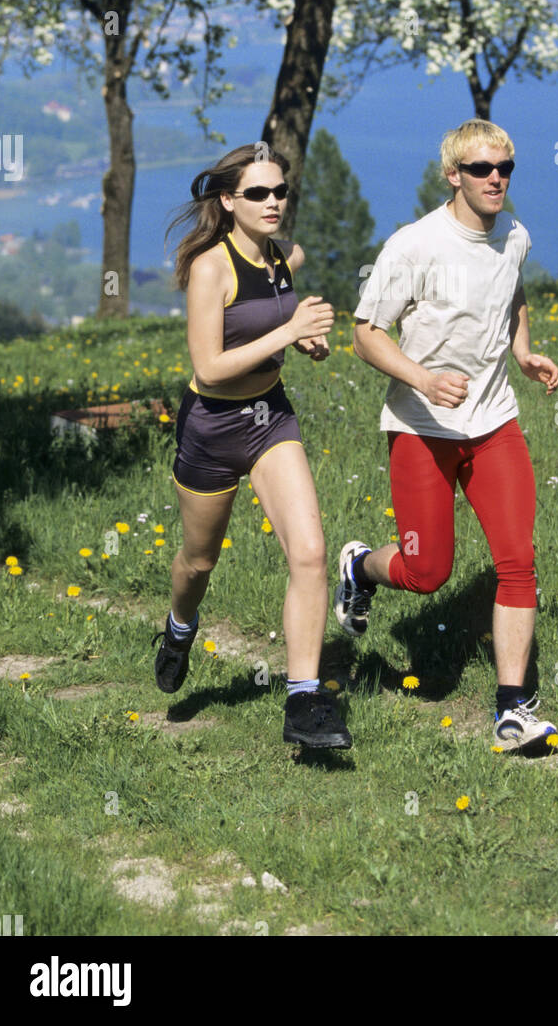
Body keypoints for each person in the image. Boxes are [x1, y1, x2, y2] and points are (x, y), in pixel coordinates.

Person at [335, 119, 558, 753]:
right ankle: (360, 565)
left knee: (517, 562)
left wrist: (524, 353)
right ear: (453, 175)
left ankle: (512, 709)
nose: (496, 180)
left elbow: (512, 293)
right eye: (482, 169)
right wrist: (423, 378)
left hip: (493, 423)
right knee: (428, 571)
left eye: (505, 169)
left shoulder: (514, 234)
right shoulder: (415, 245)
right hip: (422, 427)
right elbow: (365, 333)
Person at [155, 141, 351, 749]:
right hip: (211, 425)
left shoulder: (281, 256)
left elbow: (269, 328)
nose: (272, 202)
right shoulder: (212, 266)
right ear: (228, 200)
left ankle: (303, 702)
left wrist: (301, 343)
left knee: (311, 552)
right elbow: (209, 366)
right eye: (258, 194)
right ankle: (179, 627)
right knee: (198, 562)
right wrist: (289, 330)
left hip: (271, 419)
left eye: (280, 192)